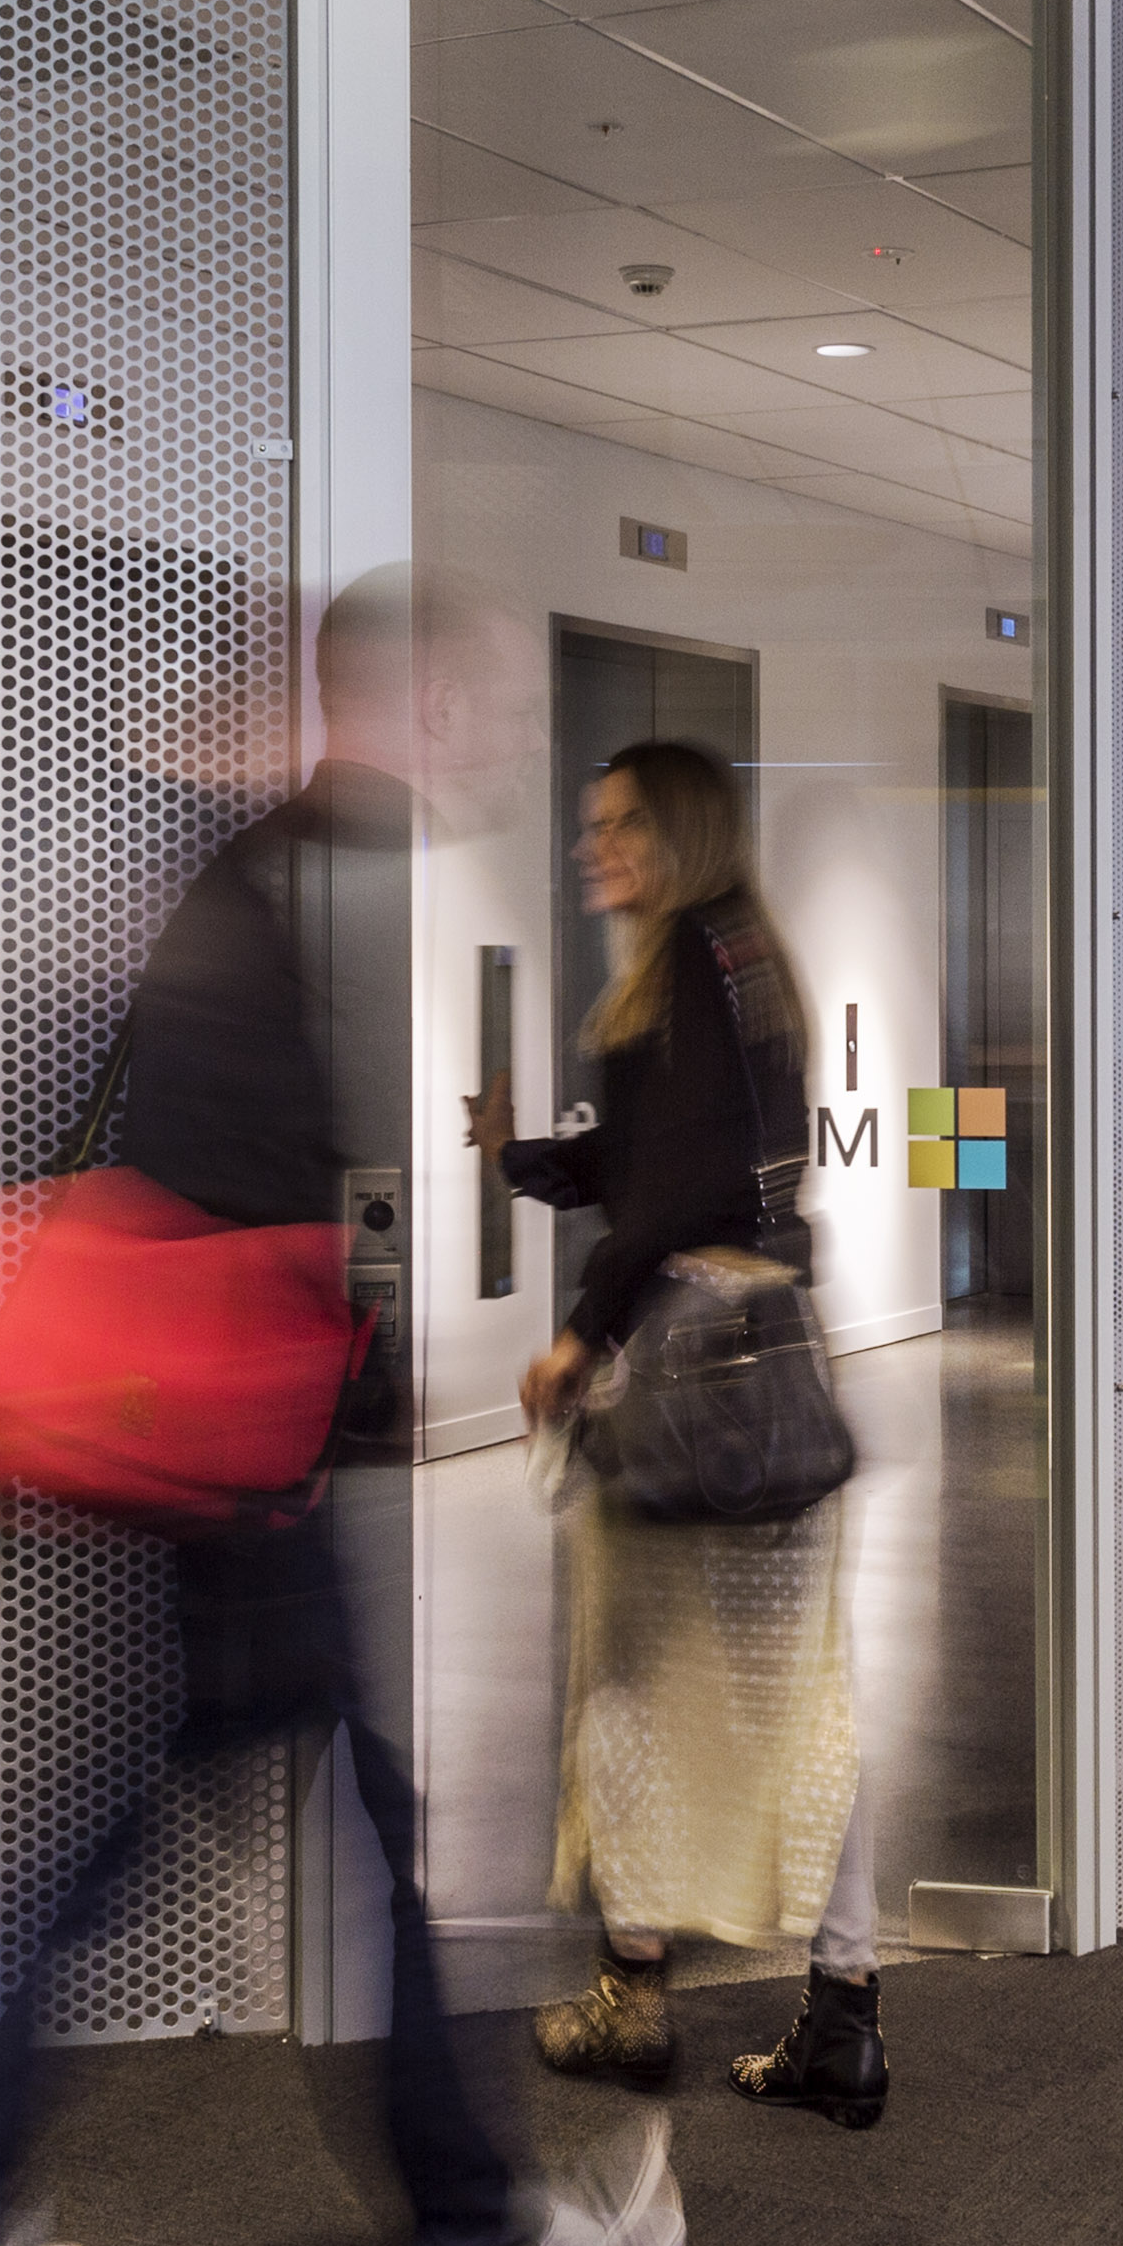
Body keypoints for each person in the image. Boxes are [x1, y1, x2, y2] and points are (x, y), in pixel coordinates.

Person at [0, 571, 678, 2246]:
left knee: (115, 1846)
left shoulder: (221, 877)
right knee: (365, 1850)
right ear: (427, 707)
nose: (505, 745)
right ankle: (472, 2242)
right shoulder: (352, 873)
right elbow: (362, 1207)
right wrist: (359, 1390)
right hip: (254, 1467)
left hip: (157, 1444)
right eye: (488, 707)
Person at [493, 738, 890, 2131]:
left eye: (622, 826)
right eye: (592, 823)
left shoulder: (674, 982)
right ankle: (842, 2011)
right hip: (774, 1368)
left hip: (681, 1383)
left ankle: (631, 1996)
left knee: (628, 1688)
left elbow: (666, 1210)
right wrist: (541, 1162)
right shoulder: (747, 968)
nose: (595, 847)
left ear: (686, 834)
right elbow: (696, 1166)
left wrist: (579, 1336)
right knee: (800, 1701)